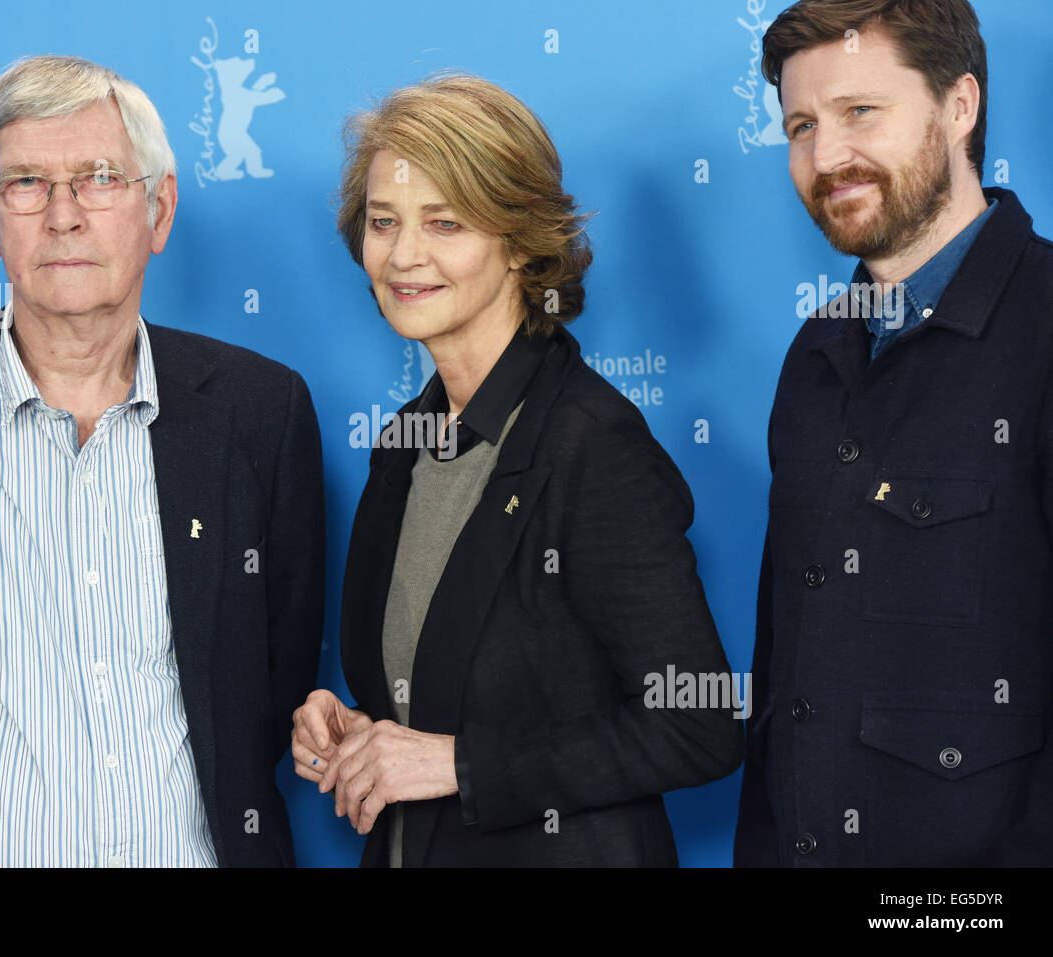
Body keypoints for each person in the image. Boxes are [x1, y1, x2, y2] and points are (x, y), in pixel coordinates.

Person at [0, 55, 324, 867]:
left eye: (101, 177)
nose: (64, 215)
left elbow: (273, 669)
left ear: (160, 209)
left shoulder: (263, 410)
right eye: (27, 184)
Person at [292, 75, 744, 866]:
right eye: (383, 221)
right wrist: (364, 731)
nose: (403, 254)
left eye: (445, 222)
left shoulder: (592, 444)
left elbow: (697, 723)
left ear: (522, 241)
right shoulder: (404, 444)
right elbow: (445, 698)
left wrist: (457, 763)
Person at [736, 0, 1053, 866]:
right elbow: (784, 678)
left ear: (959, 107)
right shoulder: (813, 355)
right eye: (800, 126)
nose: (825, 157)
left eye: (859, 113)